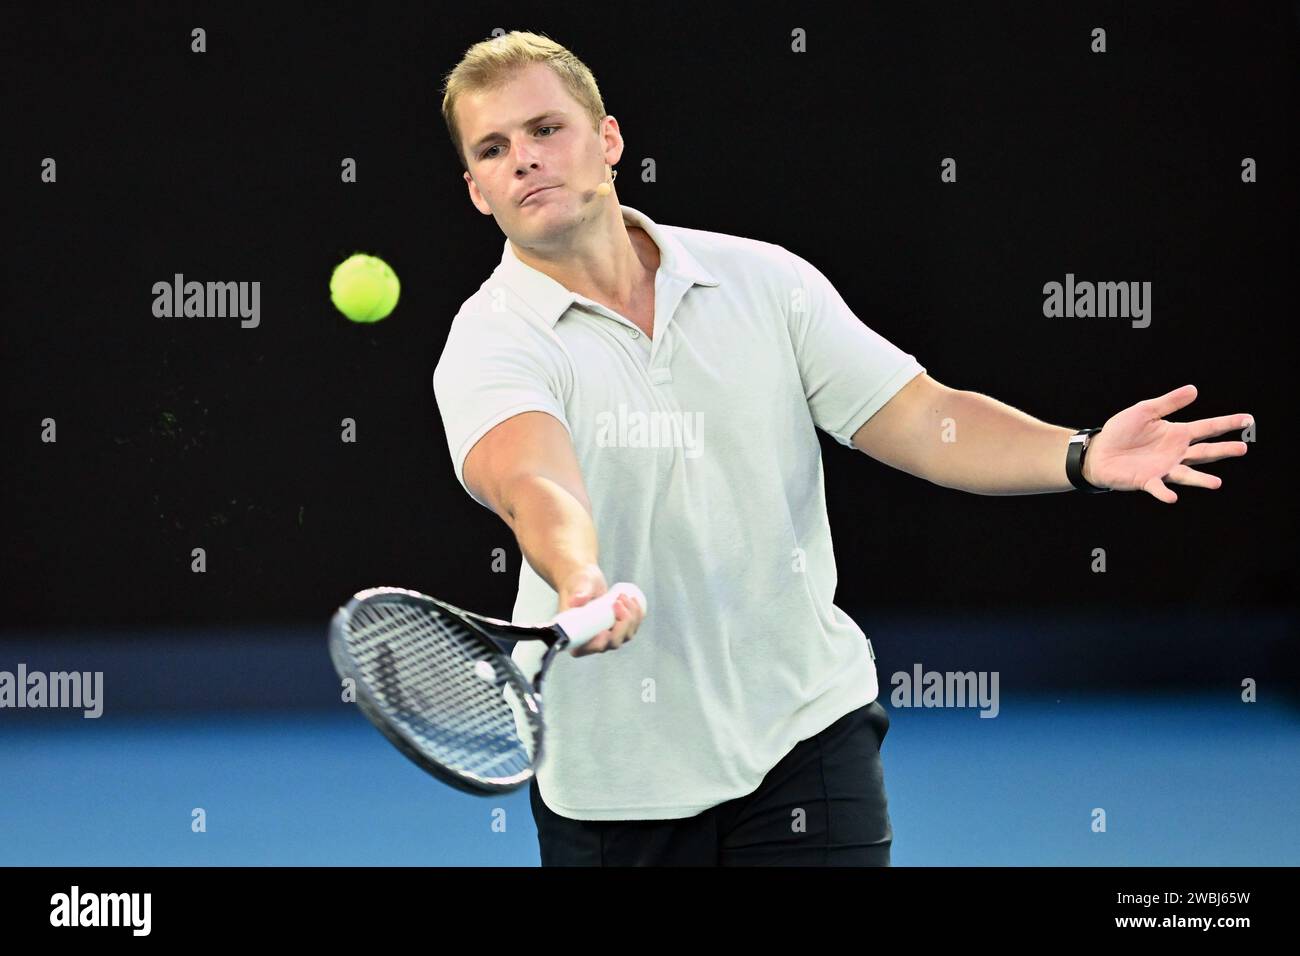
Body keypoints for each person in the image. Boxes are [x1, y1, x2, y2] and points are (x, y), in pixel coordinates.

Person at [432, 31, 1253, 866]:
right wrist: (580, 579)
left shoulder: (763, 280)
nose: (525, 160)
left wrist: (1079, 456)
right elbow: (534, 481)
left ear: (607, 139)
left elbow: (918, 415)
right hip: (615, 785)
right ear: (477, 191)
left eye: (545, 130)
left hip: (806, 738)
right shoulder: (489, 342)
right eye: (494, 149)